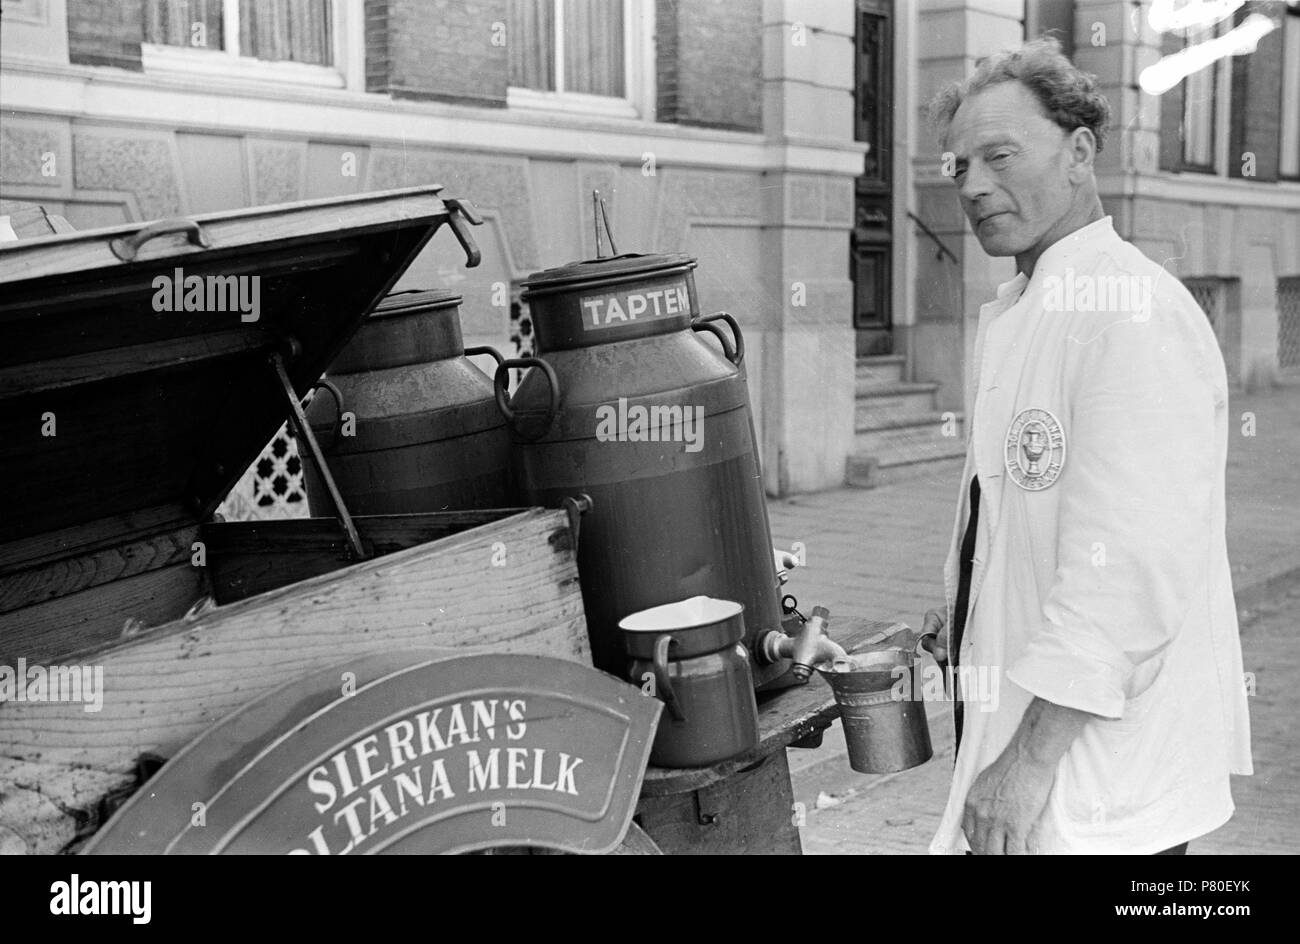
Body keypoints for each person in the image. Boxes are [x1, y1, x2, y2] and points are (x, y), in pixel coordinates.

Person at [919, 37, 1252, 854]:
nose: (975, 185)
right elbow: (1028, 519)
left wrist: (1025, 768)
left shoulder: (1128, 312)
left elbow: (1129, 576)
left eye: (1000, 154)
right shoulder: (1026, 308)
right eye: (959, 166)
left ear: (1079, 152)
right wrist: (967, 608)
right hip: (1042, 769)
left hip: (1097, 794)